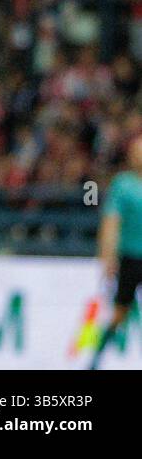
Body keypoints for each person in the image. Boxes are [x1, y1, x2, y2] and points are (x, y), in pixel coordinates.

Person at [90, 133, 142, 369]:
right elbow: (111, 221)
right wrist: (108, 257)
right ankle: (95, 359)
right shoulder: (124, 184)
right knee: (120, 311)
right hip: (131, 257)